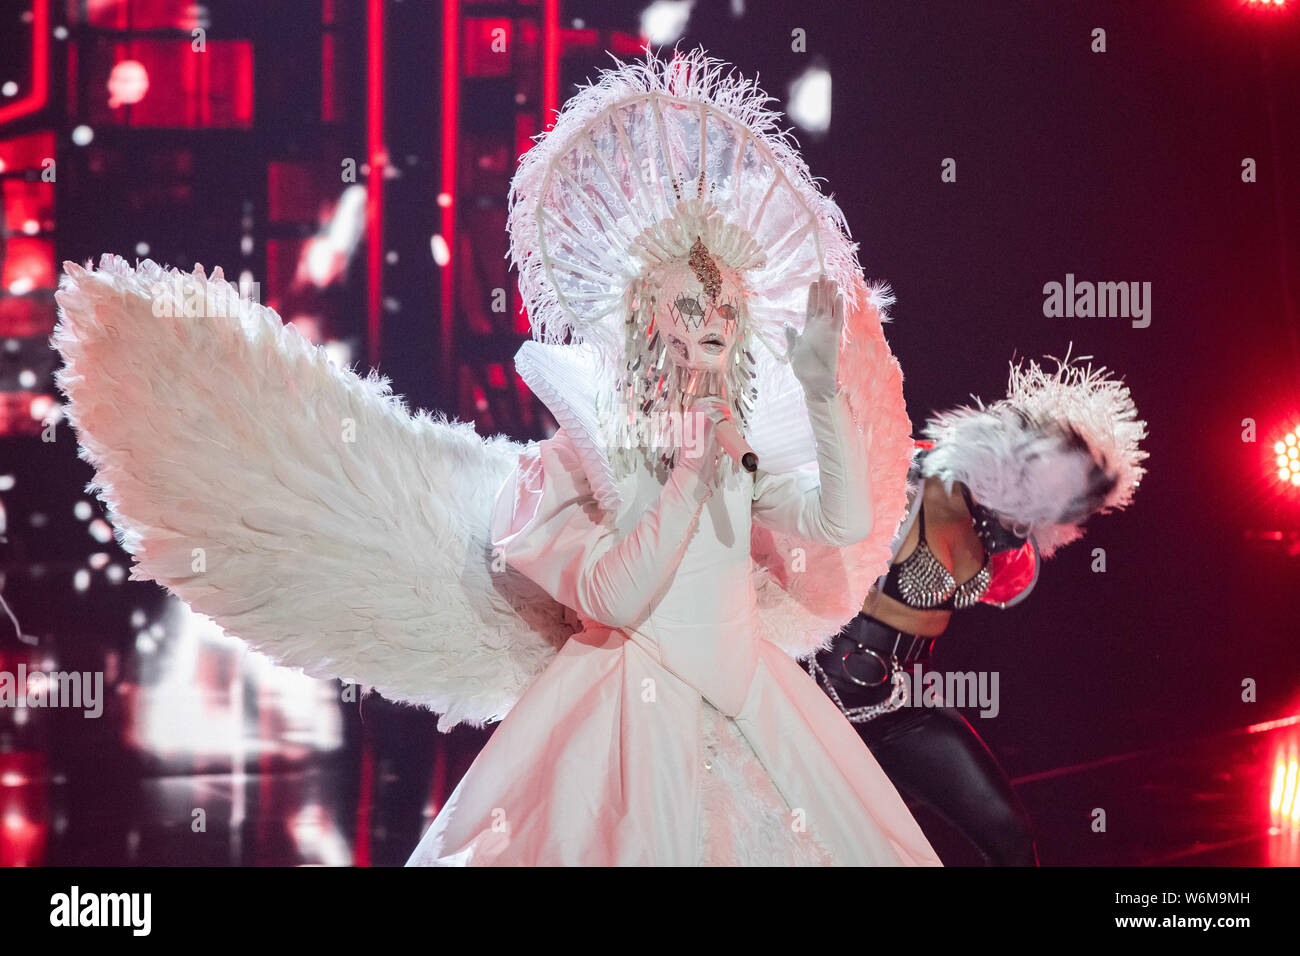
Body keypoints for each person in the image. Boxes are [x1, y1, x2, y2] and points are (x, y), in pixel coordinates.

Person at [53, 48, 938, 866]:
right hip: (624, 726)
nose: (710, 336)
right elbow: (612, 595)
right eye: (689, 319)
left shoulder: (735, 456)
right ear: (644, 331)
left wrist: (821, 392)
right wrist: (686, 479)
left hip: (757, 712)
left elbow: (842, 525)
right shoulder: (580, 466)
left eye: (724, 323)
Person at [807, 353, 1148, 864]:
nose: (1055, 500)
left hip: (895, 706)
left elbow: (1011, 585)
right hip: (822, 694)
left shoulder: (996, 528)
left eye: (1067, 497)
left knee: (1008, 836)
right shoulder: (904, 478)